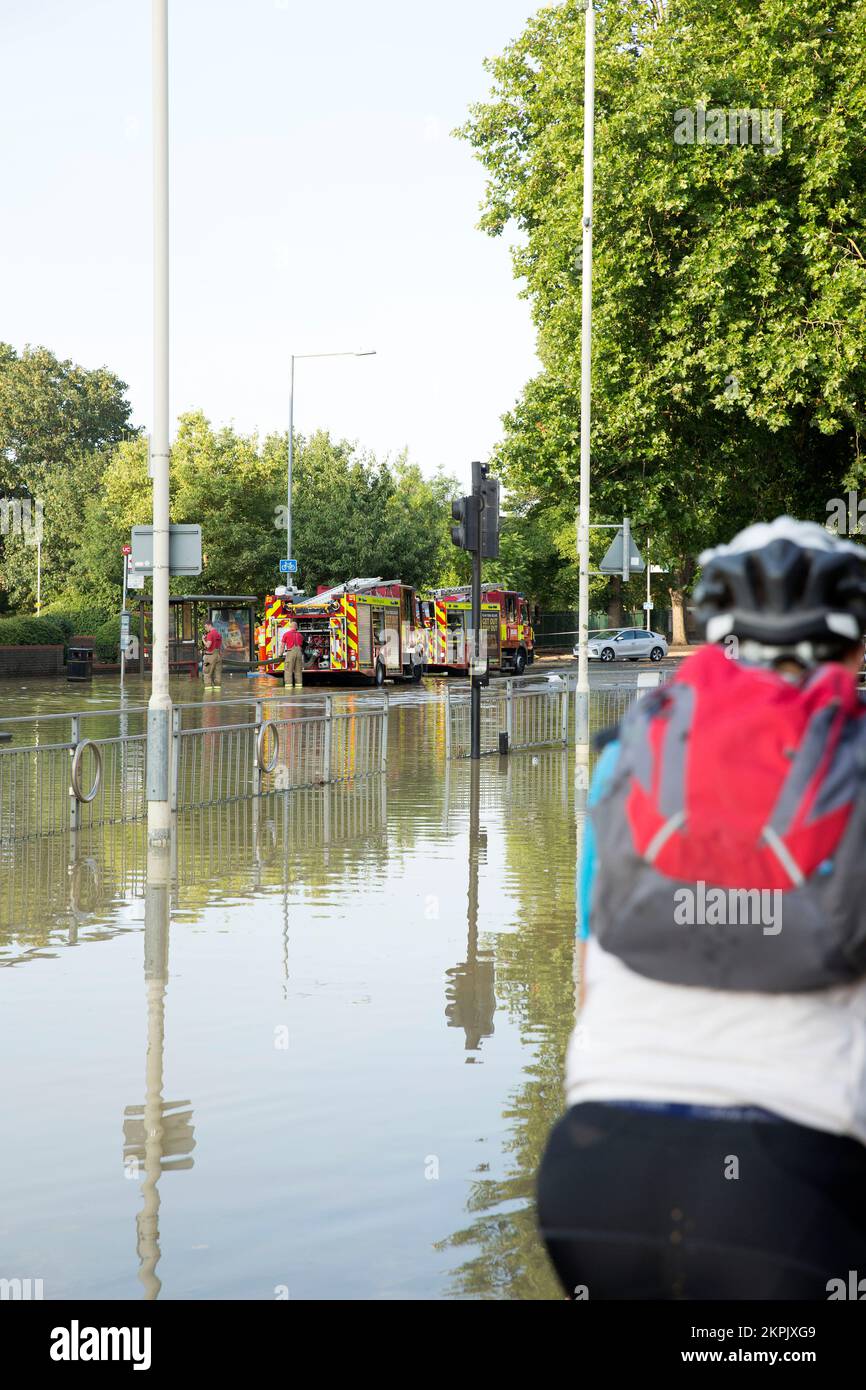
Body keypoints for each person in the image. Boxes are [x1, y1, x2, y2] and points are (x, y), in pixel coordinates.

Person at [538, 517, 866, 1300]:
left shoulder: (630, 756)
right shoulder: (852, 762)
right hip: (795, 1187)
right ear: (855, 645)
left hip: (595, 1167)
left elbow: (590, 975)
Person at [281, 619, 304, 689]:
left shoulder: (286, 634)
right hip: (299, 653)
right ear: (296, 627)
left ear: (290, 627)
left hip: (290, 652)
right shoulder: (300, 635)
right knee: (298, 671)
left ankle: (288, 688)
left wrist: (280, 654)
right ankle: (299, 687)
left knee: (288, 670)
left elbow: (282, 646)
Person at [201, 620, 223, 688]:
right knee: (217, 674)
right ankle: (217, 692)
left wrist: (203, 640)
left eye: (206, 627)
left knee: (207, 673)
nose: (205, 628)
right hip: (218, 656)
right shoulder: (218, 634)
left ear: (210, 625)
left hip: (209, 657)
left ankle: (208, 694)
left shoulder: (210, 634)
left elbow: (208, 645)